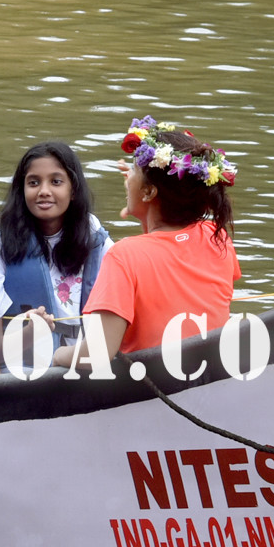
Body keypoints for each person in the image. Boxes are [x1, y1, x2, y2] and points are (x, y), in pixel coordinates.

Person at [56, 117, 240, 367]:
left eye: (133, 170)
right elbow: (169, 249)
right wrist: (143, 204)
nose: (128, 176)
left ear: (150, 192)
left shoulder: (124, 255)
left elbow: (96, 354)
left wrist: (57, 356)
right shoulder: (217, 238)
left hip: (153, 391)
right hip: (210, 377)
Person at [0, 141, 111, 358]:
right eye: (34, 182)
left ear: (73, 190)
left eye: (56, 182)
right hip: (24, 368)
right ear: (22, 190)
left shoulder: (93, 234)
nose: (44, 191)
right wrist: (32, 332)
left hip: (86, 361)